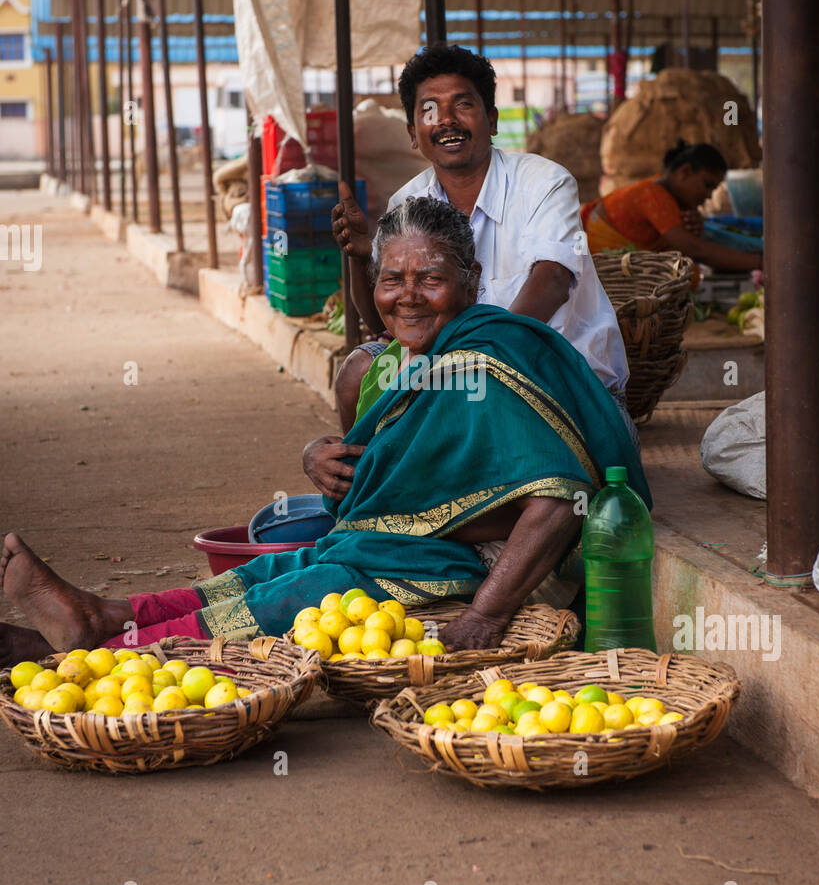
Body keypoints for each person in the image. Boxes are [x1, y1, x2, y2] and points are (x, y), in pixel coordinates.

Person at [0, 199, 649, 663]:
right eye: (392, 279)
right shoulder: (416, 360)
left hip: (507, 566)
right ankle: (105, 620)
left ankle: (94, 654)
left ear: (470, 282)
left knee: (310, 590)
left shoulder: (483, 356)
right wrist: (318, 456)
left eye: (431, 278)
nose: (408, 296)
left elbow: (561, 498)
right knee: (286, 568)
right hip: (421, 542)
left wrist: (486, 615)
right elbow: (398, 469)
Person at [331, 42, 630, 430]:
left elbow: (552, 280)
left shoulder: (545, 182)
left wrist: (471, 364)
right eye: (429, 109)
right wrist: (359, 258)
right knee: (357, 370)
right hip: (449, 374)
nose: (446, 120)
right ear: (412, 133)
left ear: (491, 120)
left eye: (463, 105)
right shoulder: (406, 201)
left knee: (526, 470)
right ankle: (368, 479)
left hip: (552, 372)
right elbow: (386, 321)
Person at [580, 140, 763, 274]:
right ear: (685, 172)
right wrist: (761, 262)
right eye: (707, 185)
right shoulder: (654, 196)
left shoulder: (668, 194)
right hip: (601, 263)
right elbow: (695, 250)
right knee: (681, 275)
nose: (708, 196)